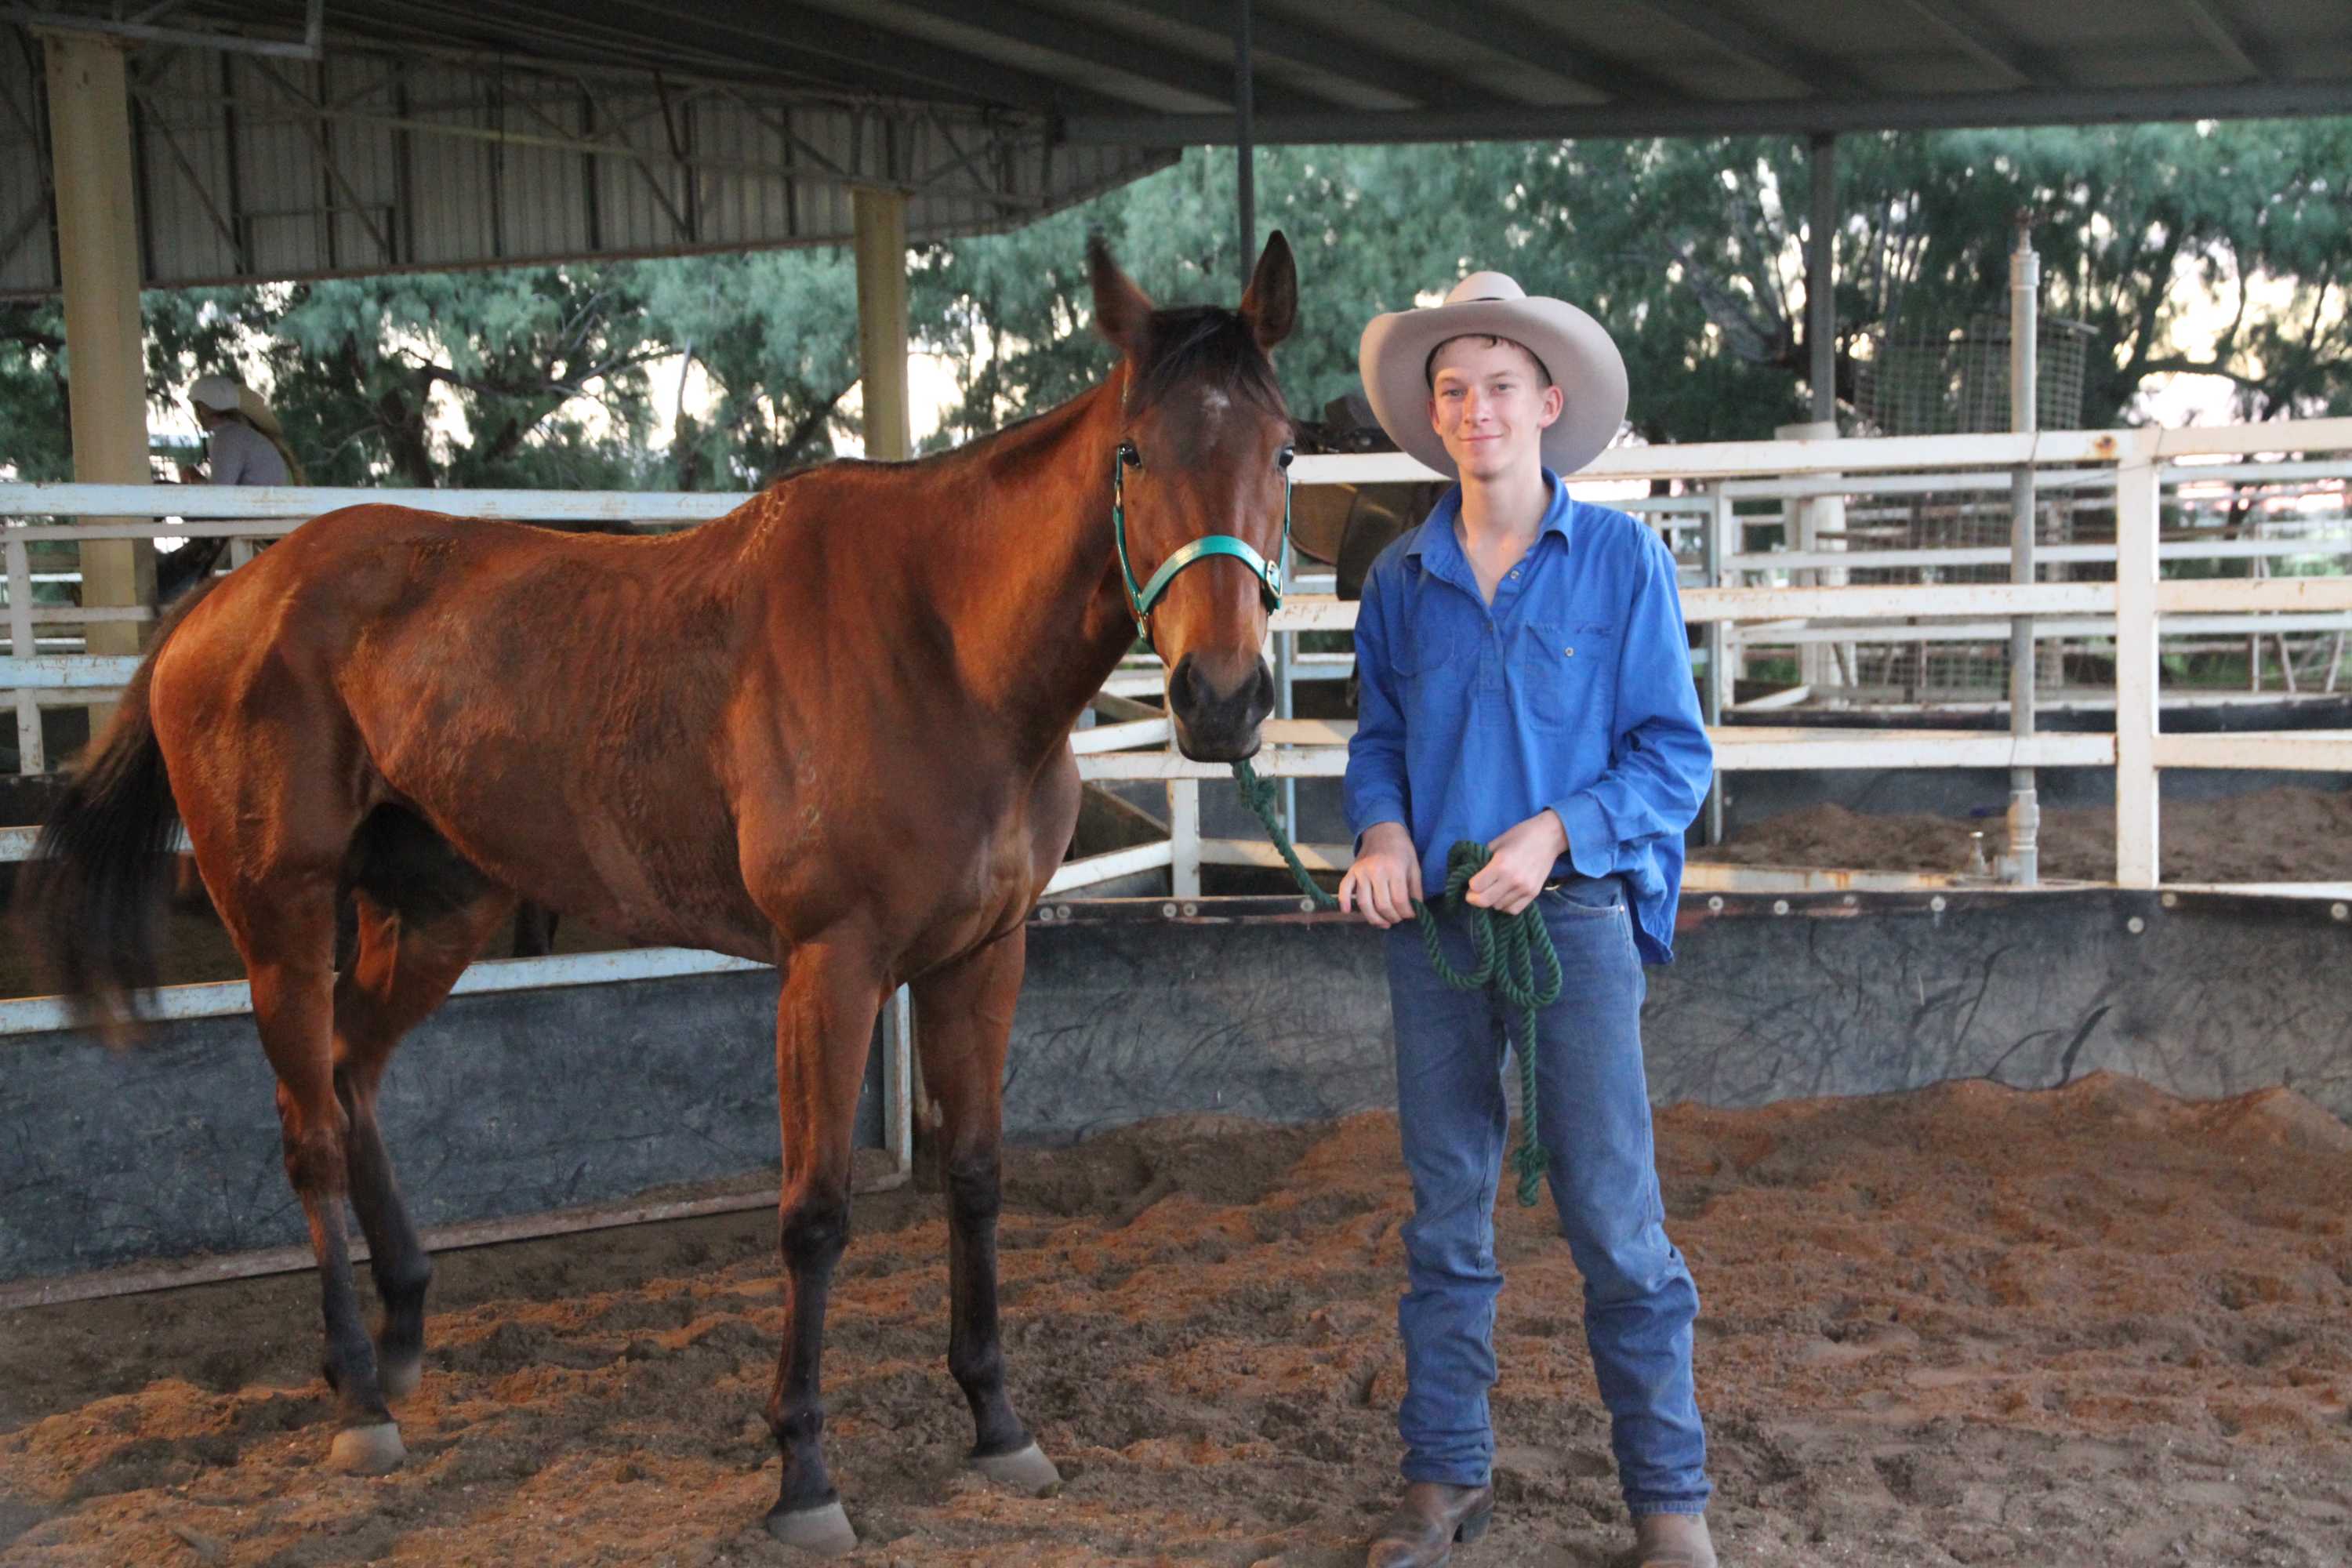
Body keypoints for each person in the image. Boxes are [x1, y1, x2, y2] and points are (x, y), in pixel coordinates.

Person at [1338, 272, 1719, 1568]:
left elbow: (1675, 758)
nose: (1477, 407)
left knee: (1615, 1215)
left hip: (1576, 927)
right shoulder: (1400, 576)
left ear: (1548, 404)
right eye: (1455, 389)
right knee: (1445, 1210)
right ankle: (1444, 1479)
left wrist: (1557, 833)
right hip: (1438, 937)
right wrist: (1384, 833)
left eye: (1501, 385)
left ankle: (1670, 1503)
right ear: (1434, 416)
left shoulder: (1621, 564)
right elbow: (1378, 742)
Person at [160, 375, 304, 601]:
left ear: (204, 408)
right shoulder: (243, 435)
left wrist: (194, 482)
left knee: (163, 492)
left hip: (248, 519)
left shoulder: (227, 437)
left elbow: (220, 497)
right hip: (259, 517)